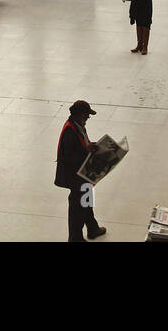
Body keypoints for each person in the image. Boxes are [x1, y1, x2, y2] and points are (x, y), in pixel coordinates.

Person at [55, 100, 106, 242]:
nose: (88, 118)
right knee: (77, 208)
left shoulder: (78, 126)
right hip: (75, 177)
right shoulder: (70, 132)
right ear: (80, 115)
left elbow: (81, 145)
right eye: (87, 115)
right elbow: (68, 158)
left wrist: (90, 146)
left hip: (83, 175)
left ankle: (92, 228)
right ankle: (75, 238)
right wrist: (86, 150)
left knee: (87, 201)